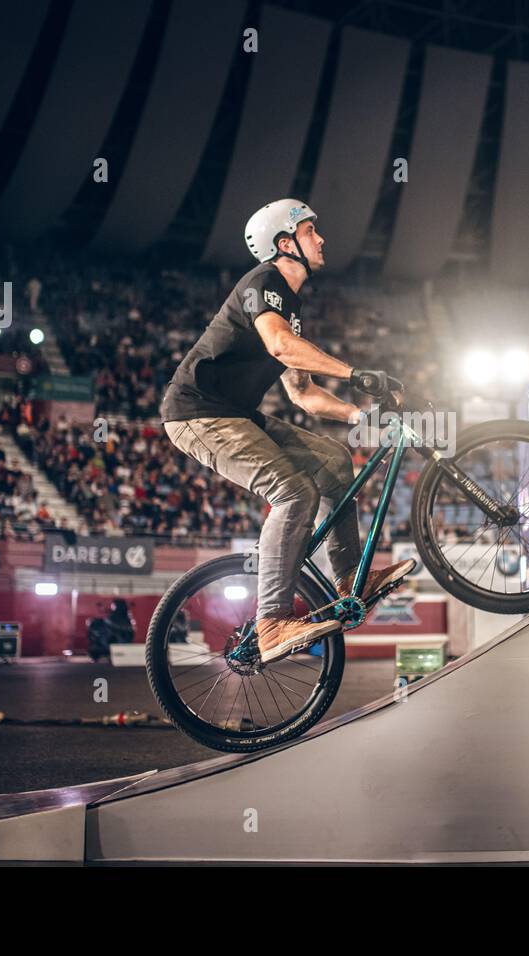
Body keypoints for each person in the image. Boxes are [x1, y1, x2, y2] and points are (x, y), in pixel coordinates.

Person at [161, 199, 414, 664]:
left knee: (336, 459)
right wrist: (357, 372)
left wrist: (362, 417)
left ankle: (348, 580)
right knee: (294, 490)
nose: (322, 240)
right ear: (285, 243)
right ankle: (272, 621)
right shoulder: (261, 283)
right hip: (197, 414)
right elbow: (281, 346)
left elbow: (302, 394)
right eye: (311, 231)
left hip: (235, 414)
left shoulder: (289, 307)